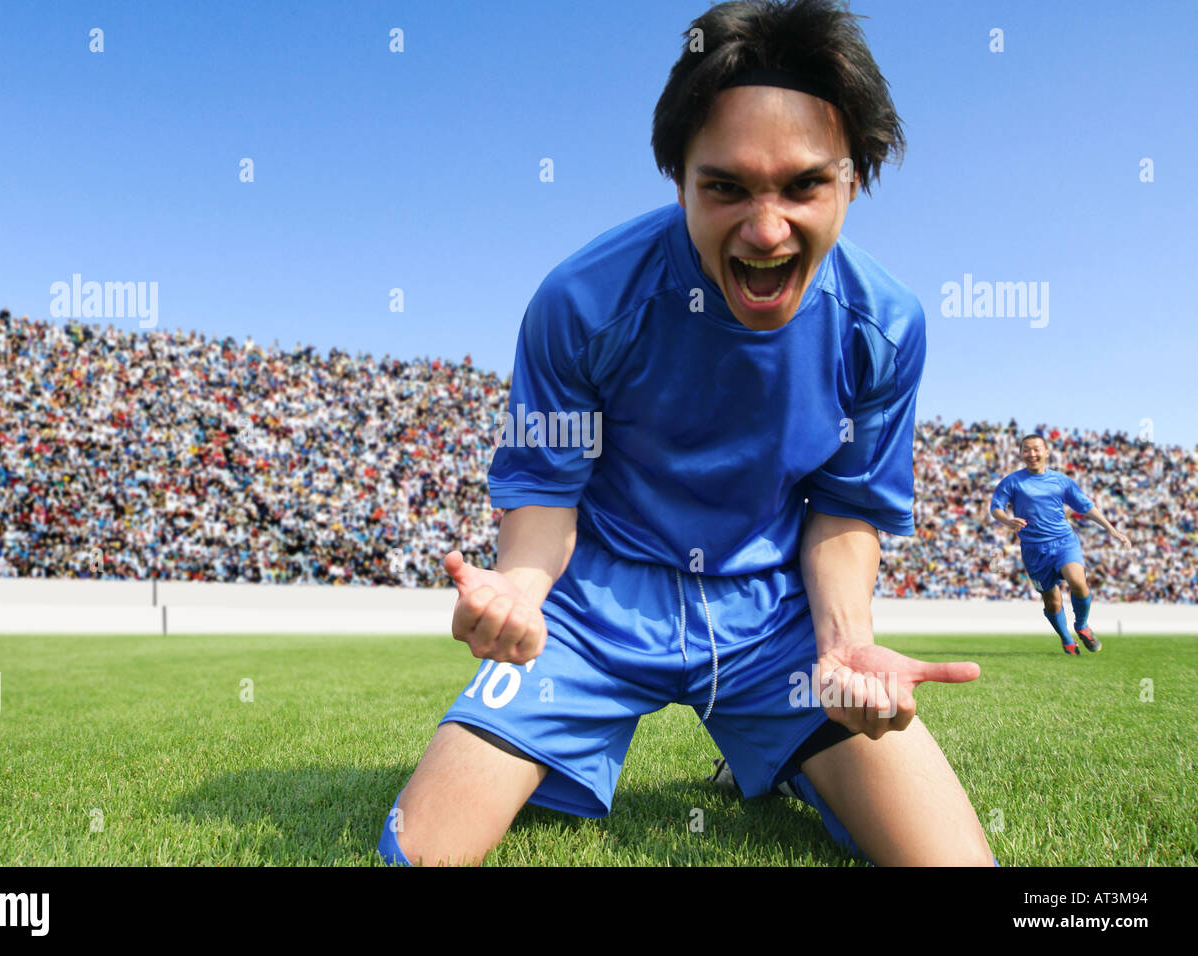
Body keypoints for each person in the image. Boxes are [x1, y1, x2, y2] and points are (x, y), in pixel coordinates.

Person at [379, 0, 994, 867]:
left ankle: (787, 752)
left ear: (852, 178)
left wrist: (843, 643)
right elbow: (548, 496)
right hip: (592, 612)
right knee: (420, 852)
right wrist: (520, 585)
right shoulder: (580, 303)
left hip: (769, 624)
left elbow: (844, 510)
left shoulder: (884, 327)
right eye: (727, 187)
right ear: (679, 179)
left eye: (804, 185)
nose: (766, 227)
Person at [990, 434, 1133, 654]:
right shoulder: (1012, 481)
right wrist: (1007, 520)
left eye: (1037, 449)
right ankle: (1066, 638)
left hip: (1063, 542)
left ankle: (1082, 625)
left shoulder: (1061, 481)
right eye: (1026, 450)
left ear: (1047, 452)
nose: (1032, 454)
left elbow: (1086, 507)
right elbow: (996, 507)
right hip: (1034, 550)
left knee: (1077, 581)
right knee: (1052, 602)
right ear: (1021, 454)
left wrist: (1112, 530)